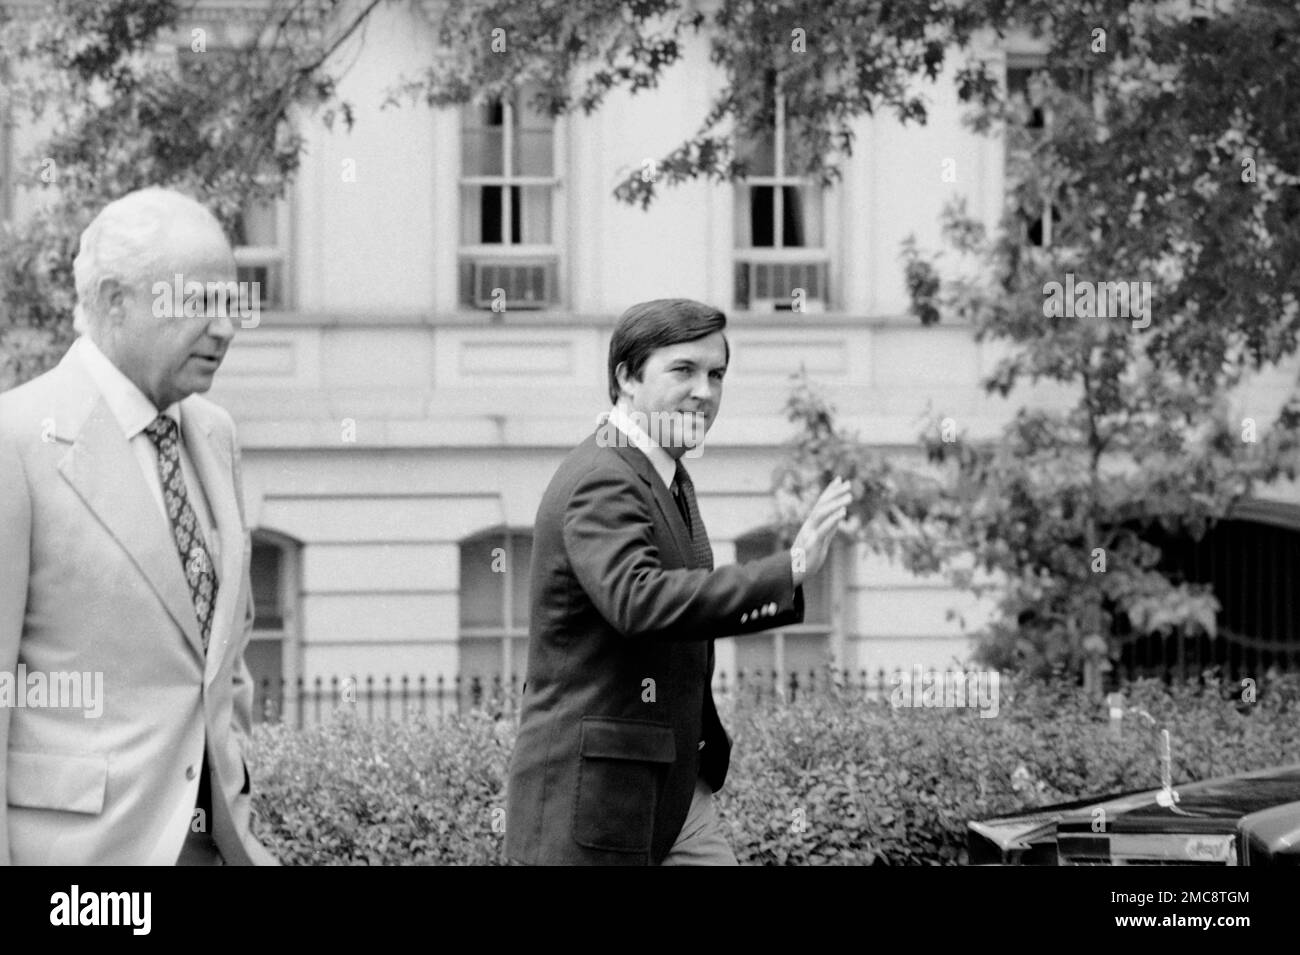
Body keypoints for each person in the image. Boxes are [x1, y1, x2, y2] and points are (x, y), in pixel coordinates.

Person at [505, 298, 853, 865]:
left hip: (675, 790)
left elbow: (685, 608)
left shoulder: (666, 473)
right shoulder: (603, 477)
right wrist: (783, 569)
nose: (705, 391)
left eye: (716, 374)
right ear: (626, 377)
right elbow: (639, 602)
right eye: (683, 371)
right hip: (594, 804)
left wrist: (783, 587)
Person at [0, 187, 277, 865]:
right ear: (116, 300)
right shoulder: (15, 442)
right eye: (199, 302)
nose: (226, 328)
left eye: (233, 303)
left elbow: (223, 663)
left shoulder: (216, 435)